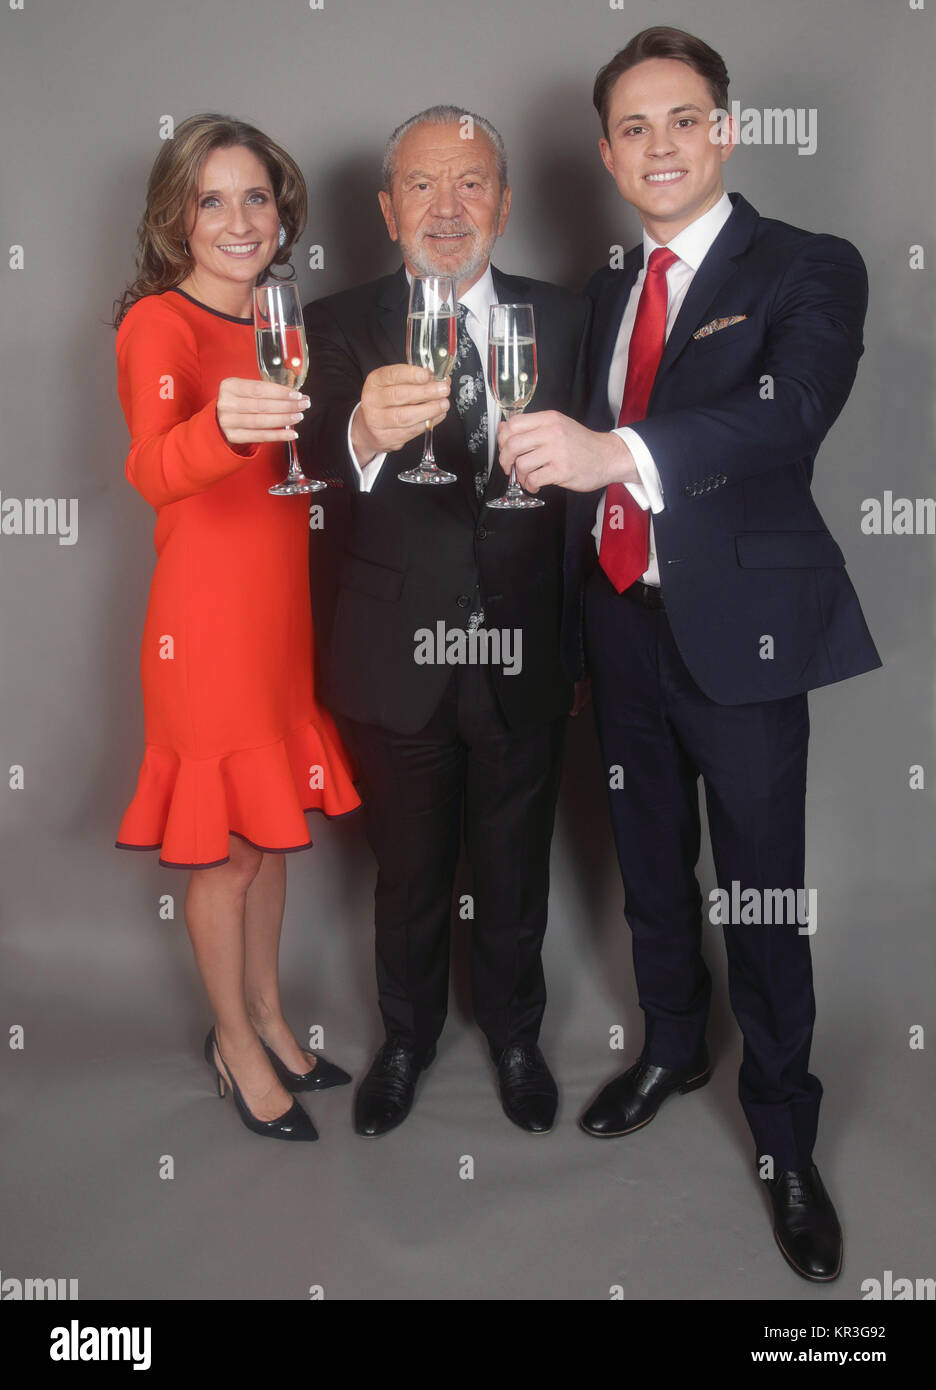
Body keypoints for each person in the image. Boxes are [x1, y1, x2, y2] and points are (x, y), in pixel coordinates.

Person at [497, 28, 881, 1279]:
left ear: (726, 130)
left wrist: (622, 456)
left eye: (684, 119)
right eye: (634, 128)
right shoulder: (612, 285)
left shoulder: (810, 266)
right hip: (620, 620)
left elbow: (789, 415)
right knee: (648, 861)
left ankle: (782, 1136)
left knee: (761, 890)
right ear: (607, 153)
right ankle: (672, 1042)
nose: (660, 145)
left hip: (748, 633)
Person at [300, 106, 590, 1136]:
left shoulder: (565, 320)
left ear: (505, 203)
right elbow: (301, 478)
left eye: (471, 183)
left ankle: (515, 1037)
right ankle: (409, 1039)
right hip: (393, 654)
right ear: (387, 209)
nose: (448, 207)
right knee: (410, 870)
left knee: (515, 866)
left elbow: (598, 482)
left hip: (525, 645)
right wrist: (360, 435)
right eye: (423, 185)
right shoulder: (333, 324)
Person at [113, 113, 360, 1142]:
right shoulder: (156, 325)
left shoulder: (279, 318)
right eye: (211, 198)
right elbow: (151, 469)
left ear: (283, 209)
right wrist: (217, 427)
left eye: (255, 195)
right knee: (226, 855)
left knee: (273, 831)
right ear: (177, 218)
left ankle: (267, 1012)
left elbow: (312, 466)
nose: (237, 217)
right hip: (202, 627)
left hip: (280, 619)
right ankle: (234, 1042)